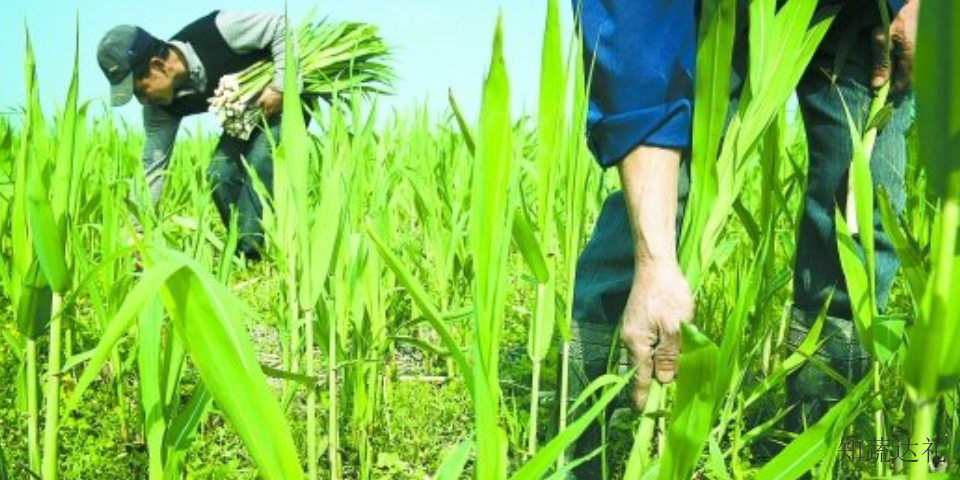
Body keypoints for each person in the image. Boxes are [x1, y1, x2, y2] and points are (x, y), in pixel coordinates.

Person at [564, 0, 918, 477]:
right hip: (724, 9)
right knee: (668, 187)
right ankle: (589, 451)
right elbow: (638, 48)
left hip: (866, 13)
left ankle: (819, 448)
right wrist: (655, 260)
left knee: (861, 208)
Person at [97, 10, 294, 260]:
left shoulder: (221, 30)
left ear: (158, 66)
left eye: (140, 90)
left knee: (260, 159)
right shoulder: (158, 109)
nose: (142, 101)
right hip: (245, 117)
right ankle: (254, 250)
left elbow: (279, 23)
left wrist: (280, 86)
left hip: (286, 97)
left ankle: (249, 254)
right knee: (218, 174)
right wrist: (137, 233)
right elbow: (153, 168)